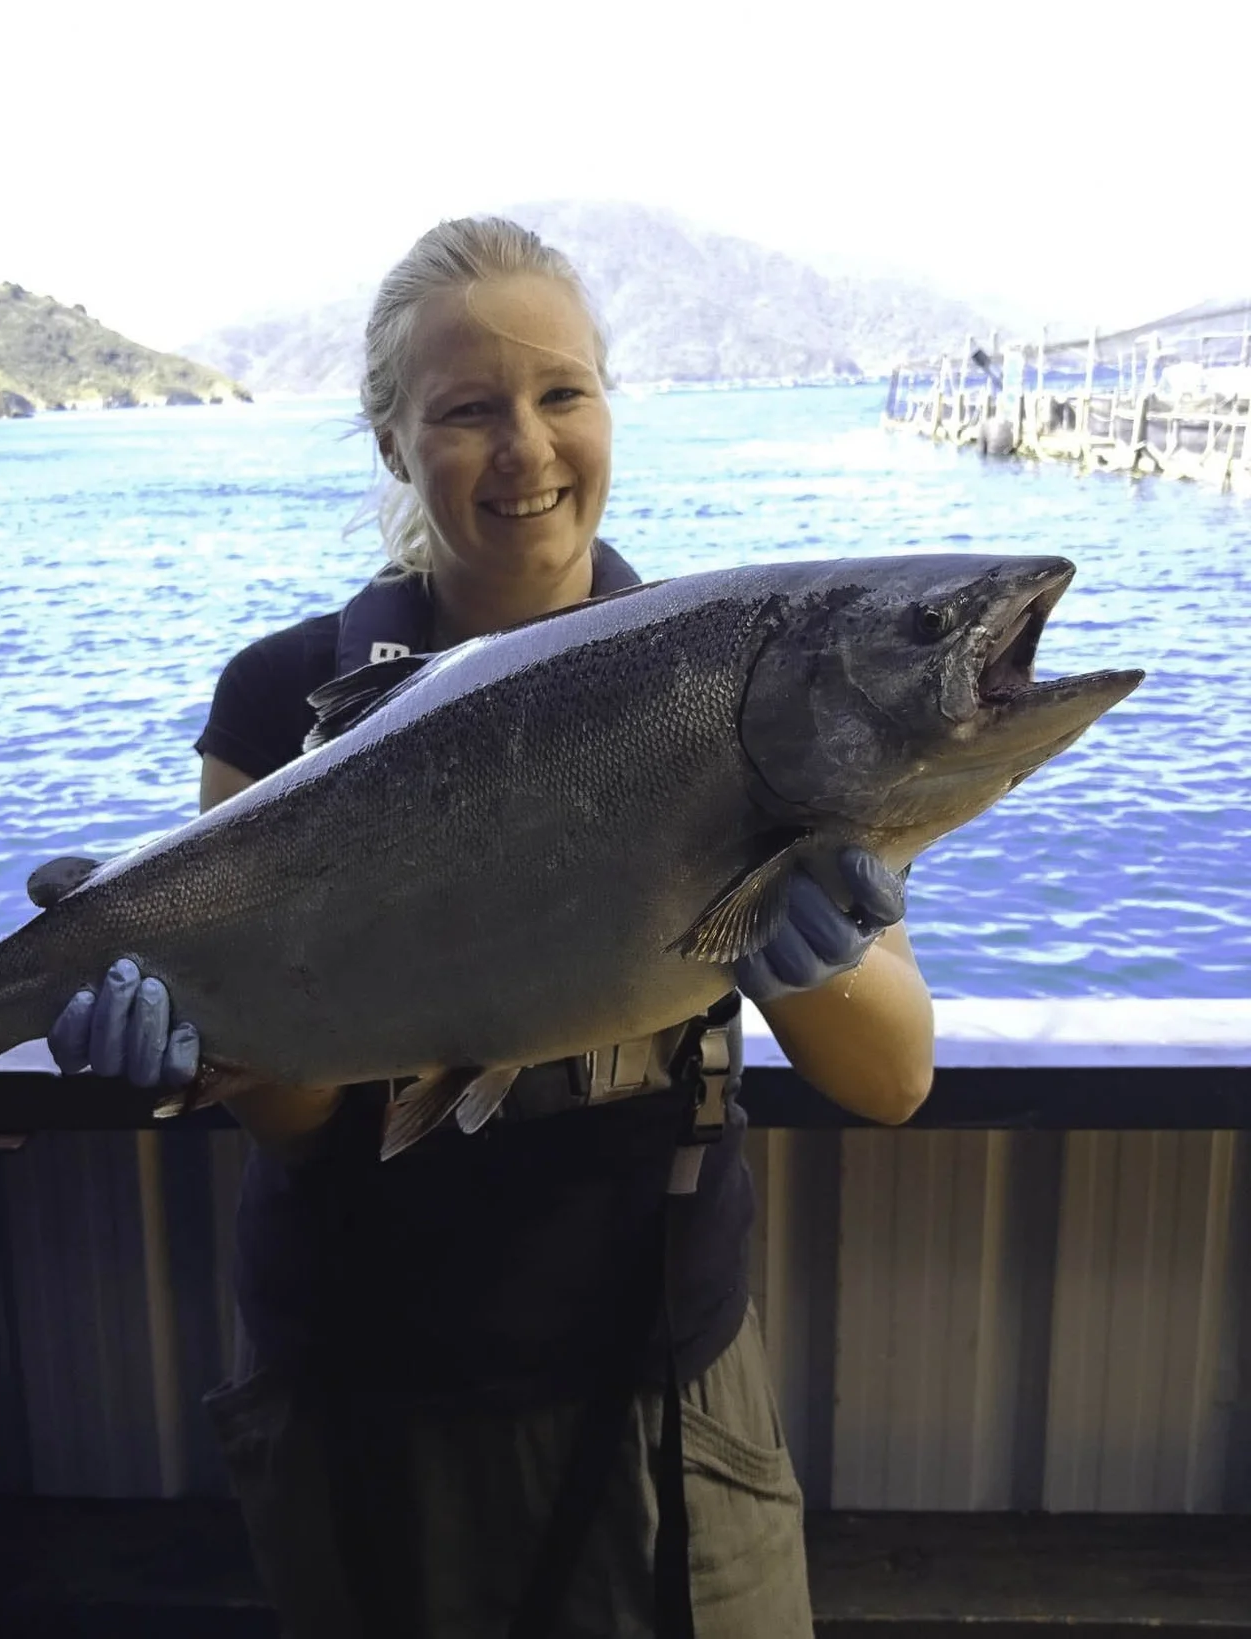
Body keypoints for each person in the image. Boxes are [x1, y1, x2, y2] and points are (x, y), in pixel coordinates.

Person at [50, 217, 935, 1638]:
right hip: (360, 1398)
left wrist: (806, 962)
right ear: (394, 444)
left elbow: (891, 1079)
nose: (527, 448)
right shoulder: (283, 699)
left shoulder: (741, 684)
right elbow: (295, 1124)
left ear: (607, 406)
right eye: (468, 409)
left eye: (562, 392)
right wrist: (202, 1034)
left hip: (667, 1391)